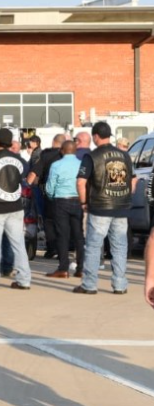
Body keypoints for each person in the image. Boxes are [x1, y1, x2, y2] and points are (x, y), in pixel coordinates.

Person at [75, 121, 137, 295]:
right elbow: (132, 180)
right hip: (121, 206)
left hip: (100, 207)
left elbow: (81, 182)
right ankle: (120, 285)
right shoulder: (124, 156)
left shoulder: (91, 156)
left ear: (95, 136)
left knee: (94, 246)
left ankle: (89, 284)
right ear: (109, 135)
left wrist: (83, 202)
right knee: (119, 246)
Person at [0, 128, 31, 290]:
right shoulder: (19, 159)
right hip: (16, 205)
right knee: (19, 244)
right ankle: (24, 279)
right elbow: (24, 177)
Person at [45, 140, 85, 279]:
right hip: (78, 199)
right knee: (78, 235)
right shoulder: (81, 163)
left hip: (61, 199)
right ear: (75, 150)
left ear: (62, 150)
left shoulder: (56, 165)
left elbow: (50, 186)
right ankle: (81, 268)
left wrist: (52, 196)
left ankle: (63, 268)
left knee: (62, 235)